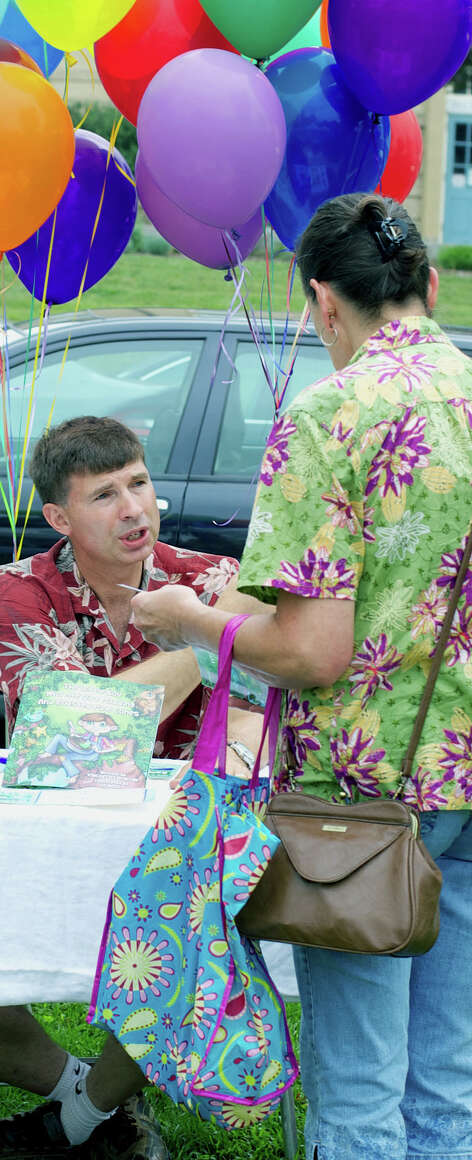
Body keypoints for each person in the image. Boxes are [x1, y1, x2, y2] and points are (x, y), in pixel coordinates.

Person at [130, 192, 472, 1159]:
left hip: (362, 799)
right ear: (429, 285)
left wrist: (193, 618)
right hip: (470, 774)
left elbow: (314, 651)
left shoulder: (329, 417)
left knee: (360, 1093)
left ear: (324, 302)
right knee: (449, 1087)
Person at [0, 415, 267, 1159]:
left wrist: (208, 618)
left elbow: (262, 722)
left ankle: (78, 1123)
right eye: (104, 496)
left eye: (140, 484)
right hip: (45, 847)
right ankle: (83, 1093)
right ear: (59, 517)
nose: (135, 510)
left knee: (196, 921)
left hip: (183, 849)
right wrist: (207, 636)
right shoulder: (18, 591)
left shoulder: (212, 579)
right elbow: (81, 734)